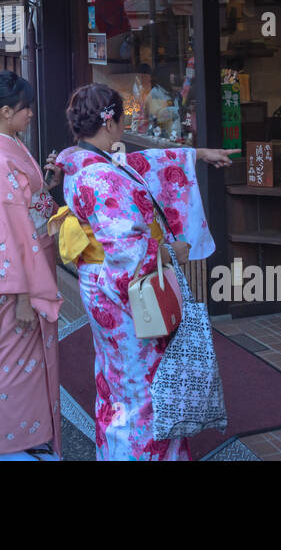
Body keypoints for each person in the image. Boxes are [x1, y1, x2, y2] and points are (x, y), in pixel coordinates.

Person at [54, 83, 234, 460]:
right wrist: (171, 251)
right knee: (142, 393)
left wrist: (197, 154)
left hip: (99, 285)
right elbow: (128, 256)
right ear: (110, 121)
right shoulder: (102, 177)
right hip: (122, 292)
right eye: (121, 118)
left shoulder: (82, 161)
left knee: (115, 382)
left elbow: (143, 163)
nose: (124, 126)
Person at [0, 71, 64, 461]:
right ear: (8, 111)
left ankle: (32, 436)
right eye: (26, 108)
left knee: (33, 355)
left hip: (34, 259)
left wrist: (49, 182)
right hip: (23, 274)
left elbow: (27, 206)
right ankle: (10, 445)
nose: (31, 114)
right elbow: (9, 231)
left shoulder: (9, 145)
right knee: (16, 357)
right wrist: (24, 295)